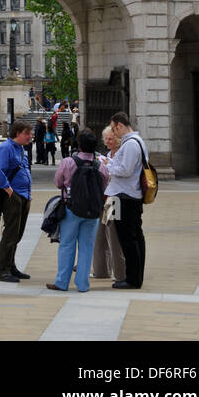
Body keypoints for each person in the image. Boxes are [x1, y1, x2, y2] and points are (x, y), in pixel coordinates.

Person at [45, 128, 109, 293]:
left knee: (67, 244)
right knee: (87, 247)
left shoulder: (68, 162)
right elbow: (104, 186)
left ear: (79, 145)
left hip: (71, 209)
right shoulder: (101, 166)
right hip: (93, 211)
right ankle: (82, 284)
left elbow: (58, 182)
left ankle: (62, 282)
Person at [105, 111, 149, 289]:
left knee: (128, 238)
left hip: (125, 196)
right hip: (129, 195)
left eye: (114, 129)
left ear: (120, 125)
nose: (113, 133)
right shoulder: (136, 141)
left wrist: (108, 167)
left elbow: (126, 170)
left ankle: (133, 278)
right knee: (135, 236)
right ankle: (135, 276)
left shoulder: (131, 144)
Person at [0, 120, 34, 282]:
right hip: (13, 196)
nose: (30, 136)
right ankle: (2, 270)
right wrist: (10, 192)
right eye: (27, 133)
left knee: (18, 234)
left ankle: (11, 266)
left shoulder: (21, 148)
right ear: (17, 133)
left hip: (24, 196)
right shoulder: (6, 148)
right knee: (10, 234)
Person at [92, 126, 127, 282]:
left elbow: (121, 175)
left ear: (117, 140)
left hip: (113, 199)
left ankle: (119, 273)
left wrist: (108, 166)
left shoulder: (120, 156)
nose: (107, 141)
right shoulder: (106, 155)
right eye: (106, 138)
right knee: (100, 235)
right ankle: (101, 270)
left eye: (110, 139)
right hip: (103, 198)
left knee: (113, 236)